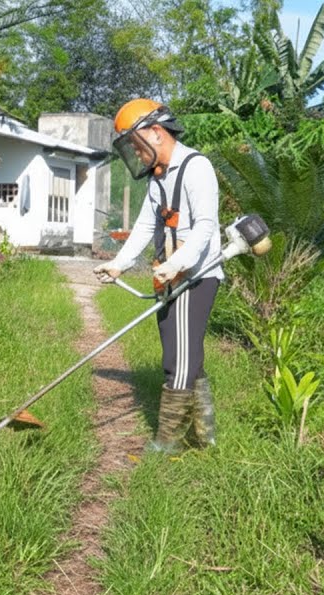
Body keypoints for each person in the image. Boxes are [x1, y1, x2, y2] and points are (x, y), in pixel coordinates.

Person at [94, 99, 221, 453]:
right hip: (168, 275)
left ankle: (170, 444)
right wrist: (119, 262)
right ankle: (203, 435)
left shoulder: (196, 168)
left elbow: (207, 227)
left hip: (195, 276)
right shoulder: (158, 179)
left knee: (177, 362)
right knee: (185, 355)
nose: (136, 151)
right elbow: (146, 225)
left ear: (156, 132)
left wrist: (178, 263)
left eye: (136, 143)